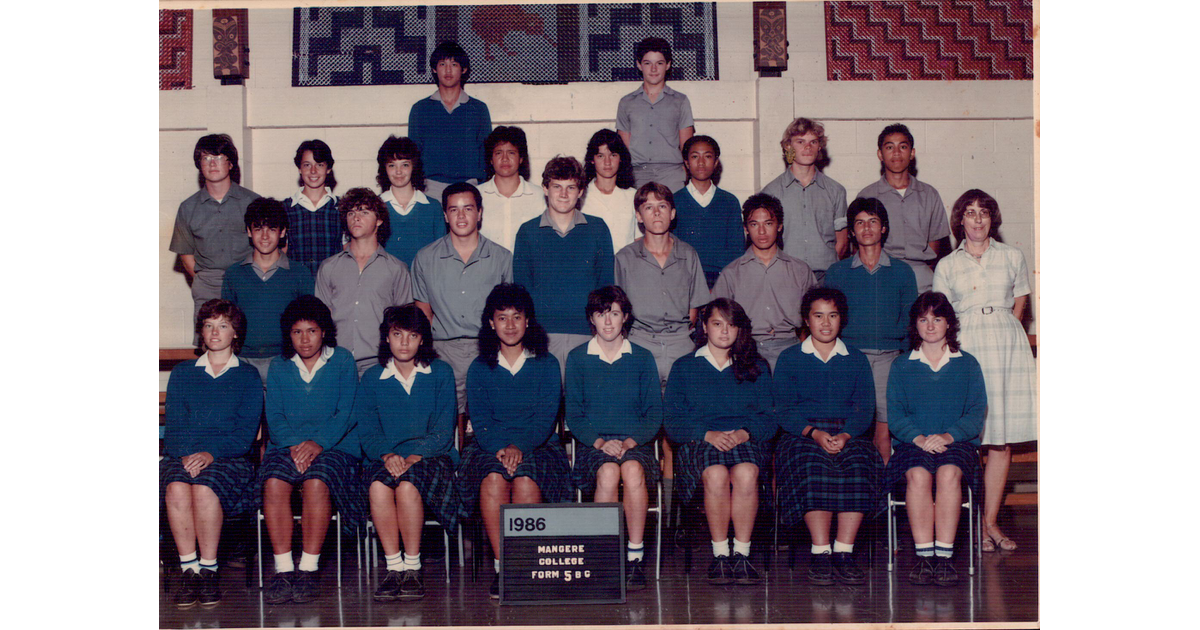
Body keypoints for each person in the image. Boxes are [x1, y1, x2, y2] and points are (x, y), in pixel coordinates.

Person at [932, 189, 1036, 553]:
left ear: (993, 219)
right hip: (967, 346)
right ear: (960, 219)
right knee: (970, 437)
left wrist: (1008, 330)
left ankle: (991, 522)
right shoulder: (947, 264)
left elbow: (1020, 299)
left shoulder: (1011, 256)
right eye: (970, 213)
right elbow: (941, 314)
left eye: (984, 213)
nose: (977, 219)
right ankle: (973, 523)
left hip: (1006, 346)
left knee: (1001, 439)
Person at [461, 284, 572, 598]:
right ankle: (504, 567)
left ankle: (525, 566)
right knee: (493, 479)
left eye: (517, 317)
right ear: (491, 323)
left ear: (528, 321)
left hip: (538, 445)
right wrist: (501, 447)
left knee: (524, 479)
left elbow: (545, 419)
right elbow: (480, 422)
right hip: (488, 445)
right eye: (502, 317)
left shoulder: (547, 363)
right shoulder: (479, 368)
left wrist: (519, 447)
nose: (510, 325)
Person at [773, 288, 881, 586]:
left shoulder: (855, 358)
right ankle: (820, 551)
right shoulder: (790, 358)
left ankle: (844, 552)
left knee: (859, 466)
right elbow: (783, 409)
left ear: (841, 319)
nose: (825, 323)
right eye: (818, 315)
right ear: (806, 320)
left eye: (832, 315)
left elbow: (865, 408)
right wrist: (814, 433)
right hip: (804, 433)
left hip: (849, 432)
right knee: (812, 468)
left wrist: (846, 435)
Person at [356, 305, 464, 602]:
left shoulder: (440, 372)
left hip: (432, 456)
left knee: (407, 486)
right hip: (386, 457)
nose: (404, 342)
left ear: (422, 340)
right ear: (386, 338)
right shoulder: (372, 377)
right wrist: (388, 455)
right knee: (378, 486)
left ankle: (413, 567)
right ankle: (394, 568)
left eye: (412, 335)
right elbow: (368, 431)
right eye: (397, 334)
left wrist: (414, 457)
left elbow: (443, 431)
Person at [664, 298, 774, 586]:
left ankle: (742, 553)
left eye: (731, 324)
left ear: (740, 329)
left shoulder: (756, 366)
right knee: (715, 474)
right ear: (704, 327)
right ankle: (720, 555)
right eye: (717, 324)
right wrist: (706, 434)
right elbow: (673, 422)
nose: (724, 331)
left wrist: (744, 432)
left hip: (744, 437)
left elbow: (770, 417)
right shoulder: (685, 367)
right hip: (700, 440)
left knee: (747, 472)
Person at [261, 295, 362, 604]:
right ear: (288, 335)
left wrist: (318, 443)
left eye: (312, 331)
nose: (304, 339)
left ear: (324, 332)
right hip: (287, 446)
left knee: (317, 483)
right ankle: (283, 570)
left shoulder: (342, 360)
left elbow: (346, 412)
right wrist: (294, 445)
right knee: (275, 482)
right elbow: (274, 416)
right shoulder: (278, 366)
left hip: (335, 447)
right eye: (297, 332)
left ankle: (308, 569)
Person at [162, 299, 262, 609]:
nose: (214, 332)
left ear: (235, 333)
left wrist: (210, 454)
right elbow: (175, 428)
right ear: (201, 332)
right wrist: (188, 455)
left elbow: (245, 435)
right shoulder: (183, 373)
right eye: (208, 325)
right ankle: (188, 570)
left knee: (205, 489)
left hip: (230, 459)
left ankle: (208, 571)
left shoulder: (247, 375)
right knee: (177, 486)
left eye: (222, 325)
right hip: (184, 456)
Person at [885, 291, 987, 587]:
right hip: (913, 444)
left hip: (957, 443)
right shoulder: (901, 365)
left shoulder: (967, 364)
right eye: (923, 319)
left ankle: (944, 557)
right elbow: (896, 414)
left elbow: (975, 412)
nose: (930, 325)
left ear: (949, 324)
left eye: (937, 319)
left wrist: (947, 436)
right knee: (917, 475)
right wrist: (918, 439)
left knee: (948, 473)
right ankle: (924, 556)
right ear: (914, 325)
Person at [565, 286, 663, 590]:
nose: (608, 322)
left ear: (626, 318)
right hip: (594, 444)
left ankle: (635, 556)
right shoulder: (577, 358)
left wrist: (630, 443)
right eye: (601, 314)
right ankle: (603, 557)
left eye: (615, 314)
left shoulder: (642, 358)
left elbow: (654, 414)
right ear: (591, 319)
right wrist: (599, 443)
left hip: (636, 443)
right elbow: (574, 415)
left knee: (632, 470)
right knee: (607, 472)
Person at [823, 198, 918, 464]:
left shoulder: (902, 272)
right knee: (848, 431)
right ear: (851, 231)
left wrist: (908, 365)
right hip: (849, 359)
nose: (867, 228)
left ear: (884, 228)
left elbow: (911, 325)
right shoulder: (837, 272)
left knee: (883, 433)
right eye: (860, 222)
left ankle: (881, 500)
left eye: (873, 221)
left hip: (888, 358)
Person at [412, 182, 513, 417]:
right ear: (445, 215)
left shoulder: (501, 257)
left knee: (492, 418)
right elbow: (423, 312)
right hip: (443, 351)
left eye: (468, 209)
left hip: (488, 350)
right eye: (454, 209)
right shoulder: (425, 258)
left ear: (479, 213)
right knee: (444, 420)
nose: (461, 216)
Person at [513, 156, 614, 377]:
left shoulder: (598, 229)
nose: (564, 194)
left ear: (581, 192)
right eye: (557, 186)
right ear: (545, 189)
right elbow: (521, 291)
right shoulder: (527, 232)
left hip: (586, 335)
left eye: (571, 187)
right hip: (542, 337)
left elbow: (606, 287)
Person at [615, 182, 709, 387]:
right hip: (640, 342)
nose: (656, 213)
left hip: (680, 343)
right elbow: (617, 310)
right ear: (639, 216)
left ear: (673, 213)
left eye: (663, 206)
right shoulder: (625, 258)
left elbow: (694, 309)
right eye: (648, 207)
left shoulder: (688, 255)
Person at [712, 193, 816, 371]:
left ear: (780, 226)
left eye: (768, 223)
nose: (761, 232)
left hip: (791, 349)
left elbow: (815, 315)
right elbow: (716, 319)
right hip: (747, 351)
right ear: (746, 228)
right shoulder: (731, 273)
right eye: (754, 224)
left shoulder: (800, 270)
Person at [315, 188, 413, 375]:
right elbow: (320, 321)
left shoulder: (396, 269)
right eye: (351, 213)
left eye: (364, 212)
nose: (356, 217)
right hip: (336, 363)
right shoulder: (329, 267)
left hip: (379, 364)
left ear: (379, 220)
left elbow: (404, 325)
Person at [221, 197, 315, 380]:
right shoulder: (234, 274)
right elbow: (227, 323)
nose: (265, 236)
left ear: (282, 232)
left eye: (272, 229)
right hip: (243, 360)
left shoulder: (299, 273)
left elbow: (309, 325)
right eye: (258, 229)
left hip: (286, 360)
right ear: (249, 231)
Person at [170, 133, 261, 320]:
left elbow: (271, 244)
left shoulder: (253, 202)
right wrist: (205, 282)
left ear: (231, 163)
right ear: (199, 165)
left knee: (249, 341)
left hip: (248, 282)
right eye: (206, 158)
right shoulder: (187, 208)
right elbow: (186, 255)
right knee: (211, 342)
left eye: (219, 157)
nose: (212, 163)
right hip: (207, 286)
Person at [855, 123, 951, 292]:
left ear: (912, 153)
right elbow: (859, 243)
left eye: (903, 146)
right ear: (880, 154)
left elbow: (936, 244)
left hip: (921, 276)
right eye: (890, 147)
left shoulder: (929, 194)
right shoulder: (868, 195)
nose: (897, 153)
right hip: (882, 273)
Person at [761, 118, 848, 281]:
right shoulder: (771, 192)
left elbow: (842, 242)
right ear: (788, 146)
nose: (808, 147)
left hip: (826, 278)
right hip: (785, 277)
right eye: (800, 141)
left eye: (813, 142)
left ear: (819, 146)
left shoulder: (836, 191)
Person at [407, 41, 492, 203]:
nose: (448, 70)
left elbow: (486, 154)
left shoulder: (479, 109)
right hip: (431, 188)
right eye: (442, 64)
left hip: (469, 186)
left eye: (454, 64)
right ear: (434, 69)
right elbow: (413, 155)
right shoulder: (420, 109)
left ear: (464, 69)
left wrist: (480, 186)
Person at [616, 36, 695, 192]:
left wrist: (686, 176)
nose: (653, 69)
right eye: (647, 63)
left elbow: (687, 146)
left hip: (672, 174)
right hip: (636, 175)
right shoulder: (626, 103)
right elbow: (623, 148)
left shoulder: (680, 101)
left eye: (659, 63)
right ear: (639, 65)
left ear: (668, 65)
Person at [672, 135, 743, 289]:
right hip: (685, 281)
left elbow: (736, 251)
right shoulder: (674, 201)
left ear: (716, 162)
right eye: (695, 156)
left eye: (708, 156)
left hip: (722, 281)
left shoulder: (729, 202)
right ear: (686, 163)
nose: (701, 162)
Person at [376, 135, 445, 266]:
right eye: (392, 165)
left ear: (414, 167)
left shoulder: (433, 207)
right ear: (384, 169)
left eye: (405, 165)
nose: (398, 171)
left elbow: (441, 254)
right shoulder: (375, 206)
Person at [477, 126, 544, 252]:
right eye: (498, 153)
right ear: (491, 159)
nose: (505, 158)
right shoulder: (477, 195)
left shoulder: (539, 196)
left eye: (511, 152)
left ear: (521, 158)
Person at [283, 139, 344, 271]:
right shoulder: (285, 208)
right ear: (299, 168)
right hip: (297, 287)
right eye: (307, 165)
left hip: (332, 287)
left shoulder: (342, 207)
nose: (313, 171)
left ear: (328, 168)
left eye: (320, 165)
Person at [581, 129, 639, 253]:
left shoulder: (632, 195)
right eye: (600, 156)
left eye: (613, 155)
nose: (607, 162)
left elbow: (638, 239)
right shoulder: (581, 196)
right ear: (592, 159)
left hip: (624, 266)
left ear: (621, 158)